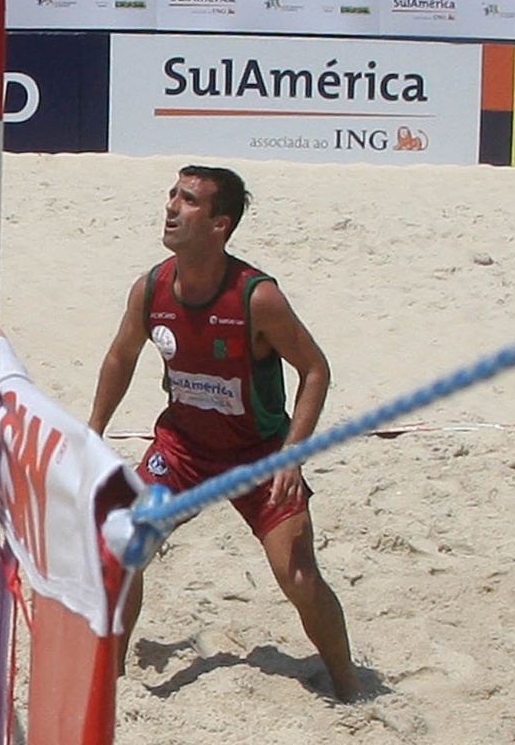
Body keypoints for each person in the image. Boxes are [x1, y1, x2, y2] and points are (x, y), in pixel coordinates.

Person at [87, 165, 358, 702]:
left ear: (220, 224)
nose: (170, 207)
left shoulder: (257, 298)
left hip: (259, 458)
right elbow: (121, 355)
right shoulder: (151, 288)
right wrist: (93, 430)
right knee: (123, 548)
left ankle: (351, 689)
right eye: (172, 194)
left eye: (188, 201)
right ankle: (113, 680)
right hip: (183, 452)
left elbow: (316, 370)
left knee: (299, 578)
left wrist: (292, 457)